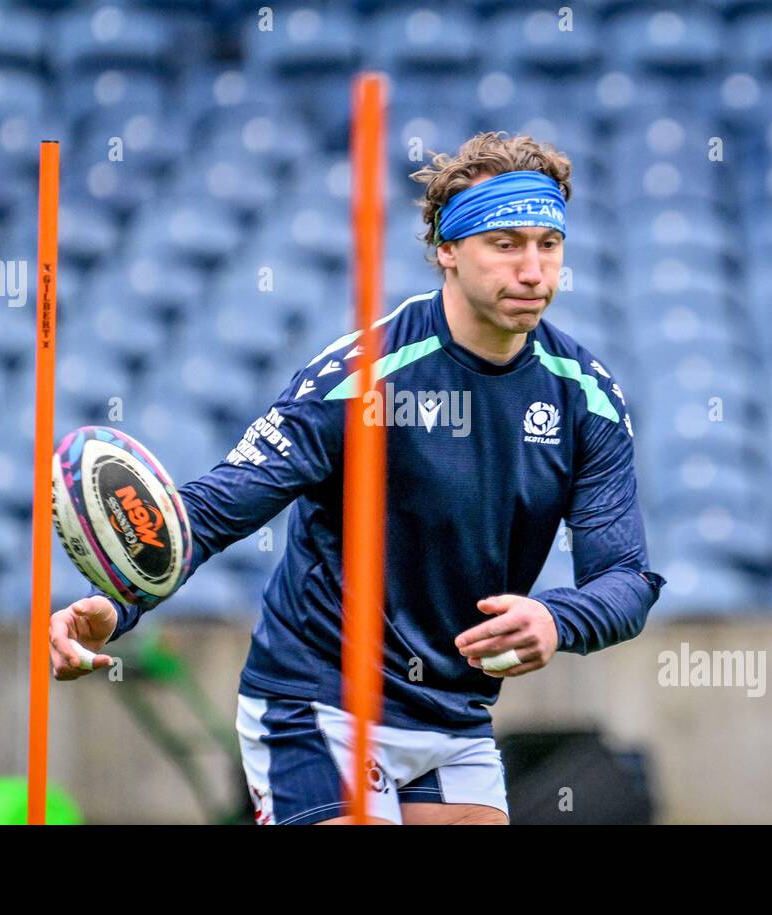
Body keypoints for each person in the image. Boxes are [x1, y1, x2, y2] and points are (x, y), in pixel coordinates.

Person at [49, 131, 665, 825]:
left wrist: (558, 617)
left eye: (547, 243)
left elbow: (627, 578)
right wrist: (118, 604)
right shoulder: (360, 377)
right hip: (320, 696)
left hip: (453, 713)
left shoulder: (585, 397)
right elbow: (219, 508)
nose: (532, 269)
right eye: (505, 243)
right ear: (447, 250)